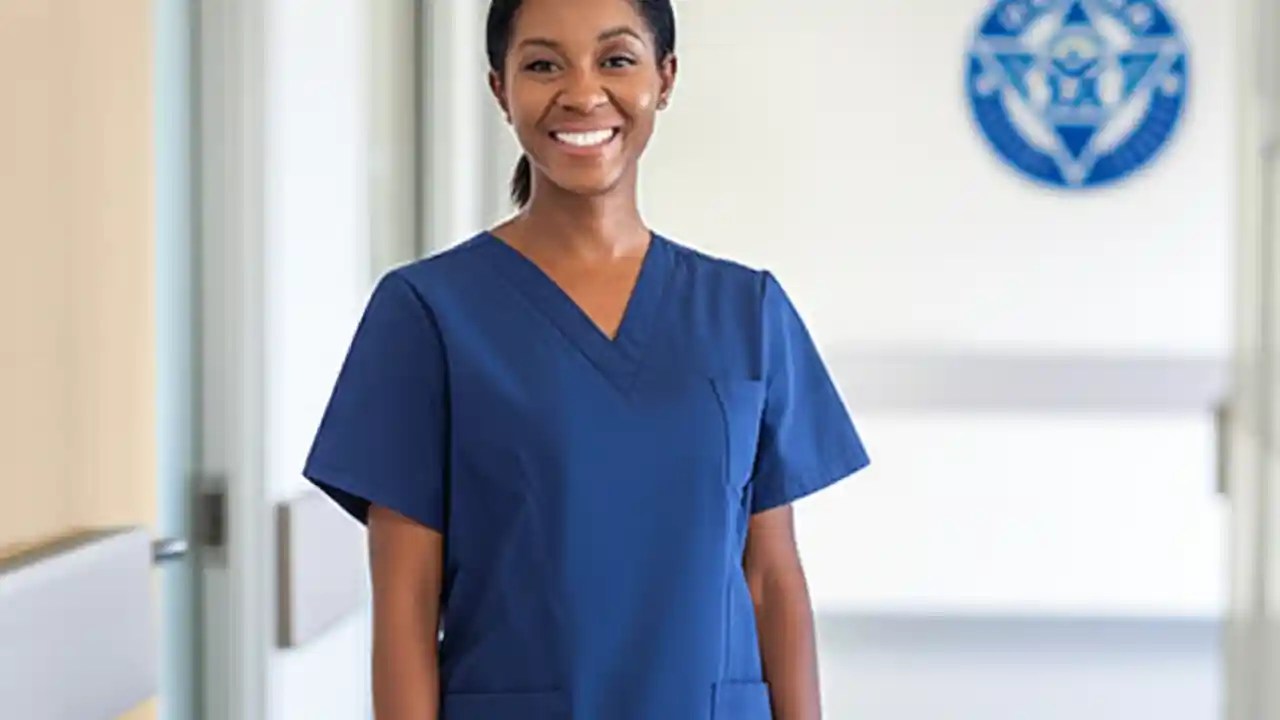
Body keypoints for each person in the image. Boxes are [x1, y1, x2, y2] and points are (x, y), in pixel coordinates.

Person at [302, 0, 870, 717]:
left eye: (616, 59)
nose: (581, 92)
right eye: (543, 65)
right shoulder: (426, 314)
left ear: (665, 78)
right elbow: (405, 602)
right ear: (500, 88)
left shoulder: (747, 312)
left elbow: (771, 581)